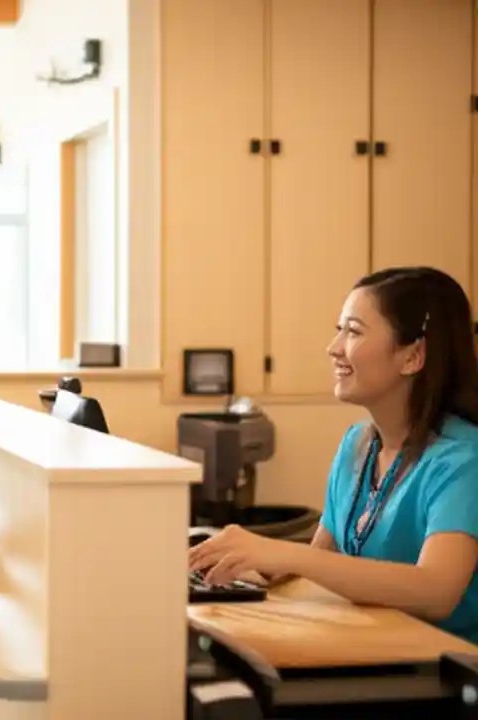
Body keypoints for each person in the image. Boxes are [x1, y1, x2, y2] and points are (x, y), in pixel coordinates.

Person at [190, 267, 478, 643]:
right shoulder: (357, 443)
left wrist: (284, 555)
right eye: (339, 329)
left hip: (442, 673)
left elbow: (436, 592)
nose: (334, 347)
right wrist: (252, 566)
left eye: (353, 331)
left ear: (413, 356)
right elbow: (323, 555)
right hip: (372, 646)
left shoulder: (463, 459)